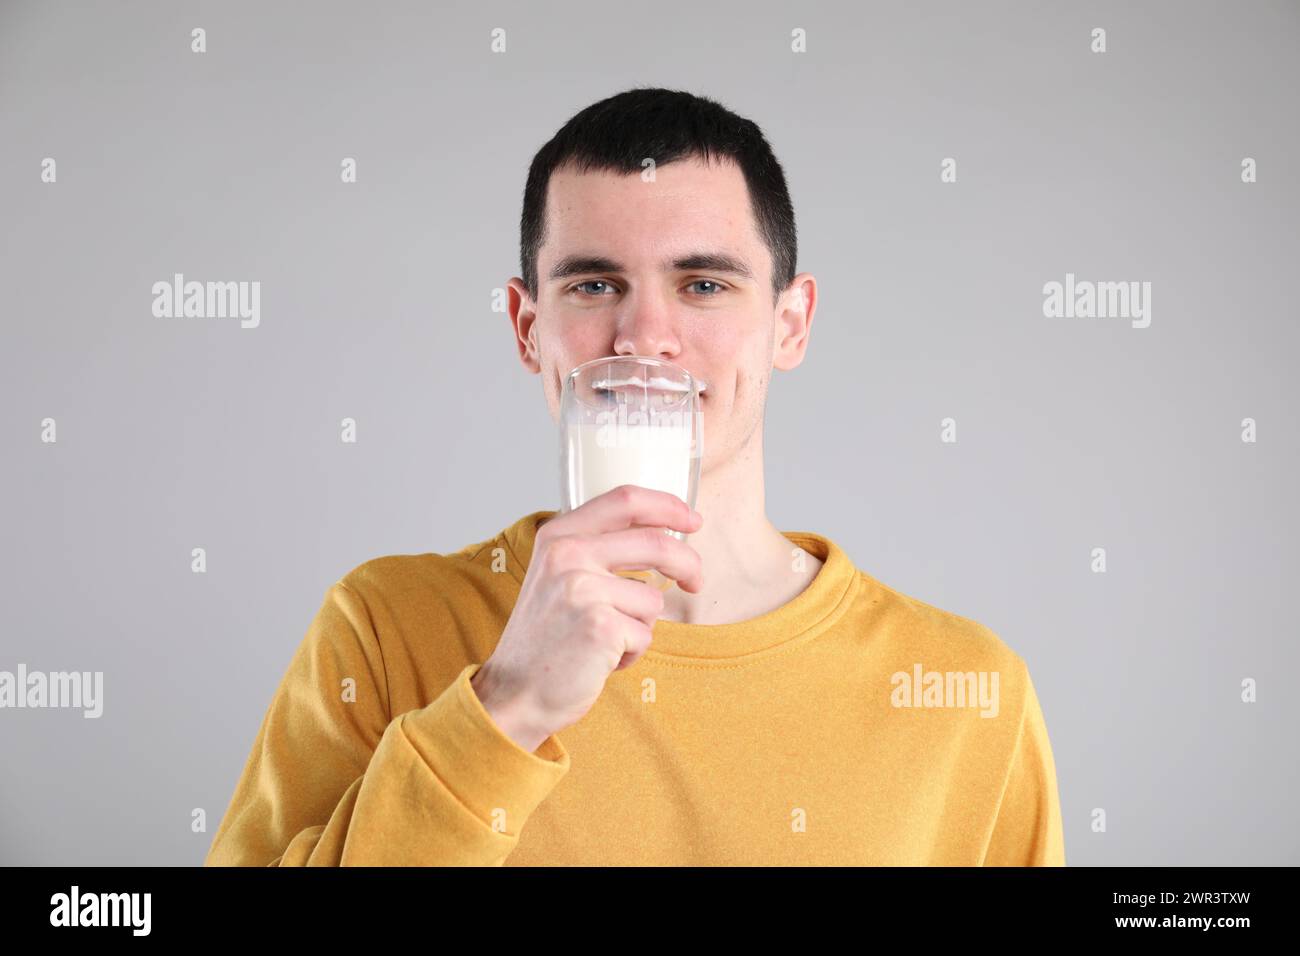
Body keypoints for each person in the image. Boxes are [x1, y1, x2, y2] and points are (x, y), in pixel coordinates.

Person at [205, 87, 1066, 866]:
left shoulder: (968, 690)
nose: (644, 336)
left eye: (702, 284)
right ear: (527, 328)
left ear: (790, 324)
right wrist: (502, 710)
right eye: (593, 284)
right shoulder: (384, 630)